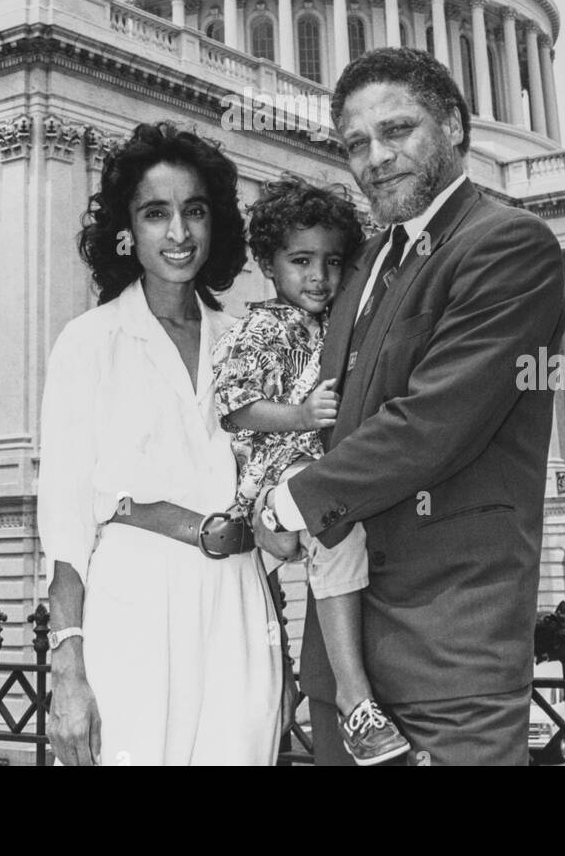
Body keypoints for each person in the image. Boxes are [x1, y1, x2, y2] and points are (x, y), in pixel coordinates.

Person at [253, 48, 565, 766]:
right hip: (343, 658)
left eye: (398, 131)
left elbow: (437, 423)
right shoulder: (361, 262)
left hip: (449, 644)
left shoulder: (505, 243)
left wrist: (286, 505)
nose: (376, 158)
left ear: (454, 125)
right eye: (357, 143)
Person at [37, 121, 282, 766]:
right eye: (156, 213)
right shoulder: (88, 341)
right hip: (132, 604)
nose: (178, 233)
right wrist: (67, 671)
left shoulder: (247, 341)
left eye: (194, 211)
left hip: (236, 596)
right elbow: (64, 521)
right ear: (127, 229)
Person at [212, 179, 410, 765]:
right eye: (301, 261)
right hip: (277, 473)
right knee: (336, 531)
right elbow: (235, 405)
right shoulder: (263, 326)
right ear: (269, 264)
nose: (318, 276)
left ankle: (340, 695)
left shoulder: (339, 325)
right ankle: (354, 702)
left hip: (322, 477)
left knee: (340, 541)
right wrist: (300, 413)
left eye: (330, 262)